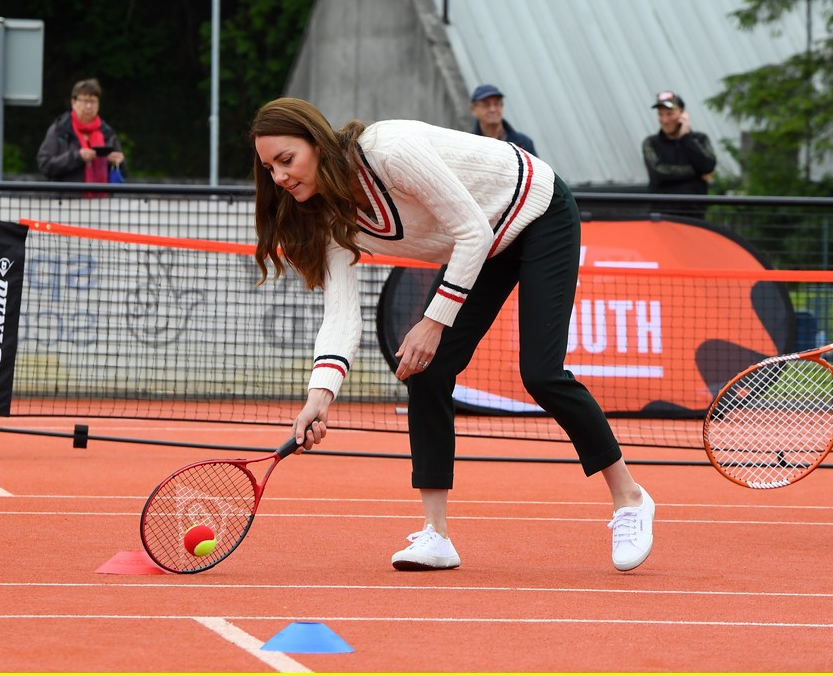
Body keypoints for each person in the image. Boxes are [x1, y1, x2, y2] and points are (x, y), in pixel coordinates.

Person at [250, 97, 654, 573]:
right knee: (427, 371)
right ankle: (436, 536)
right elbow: (340, 313)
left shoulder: (389, 150)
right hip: (482, 244)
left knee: (541, 374)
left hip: (536, 212)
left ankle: (629, 498)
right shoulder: (327, 219)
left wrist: (434, 320)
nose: (279, 177)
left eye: (286, 160)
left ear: (316, 143)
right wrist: (319, 396)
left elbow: (471, 231)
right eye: (269, 168)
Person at [36, 78, 127, 193]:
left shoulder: (107, 133)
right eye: (85, 101)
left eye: (93, 101)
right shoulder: (59, 130)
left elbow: (123, 173)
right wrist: (77, 157)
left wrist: (119, 162)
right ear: (73, 102)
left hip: (103, 203)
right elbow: (44, 165)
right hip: (67, 202)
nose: (89, 106)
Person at [642, 90, 716, 218]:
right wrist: (697, 173)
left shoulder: (699, 139)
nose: (664, 120)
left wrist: (686, 138)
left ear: (682, 114)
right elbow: (659, 173)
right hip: (660, 217)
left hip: (694, 217)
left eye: (669, 114)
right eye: (661, 114)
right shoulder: (651, 143)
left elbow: (708, 165)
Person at [468, 83, 537, 155]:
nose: (492, 109)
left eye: (497, 104)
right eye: (486, 105)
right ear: (473, 109)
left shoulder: (524, 143)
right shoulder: (468, 146)